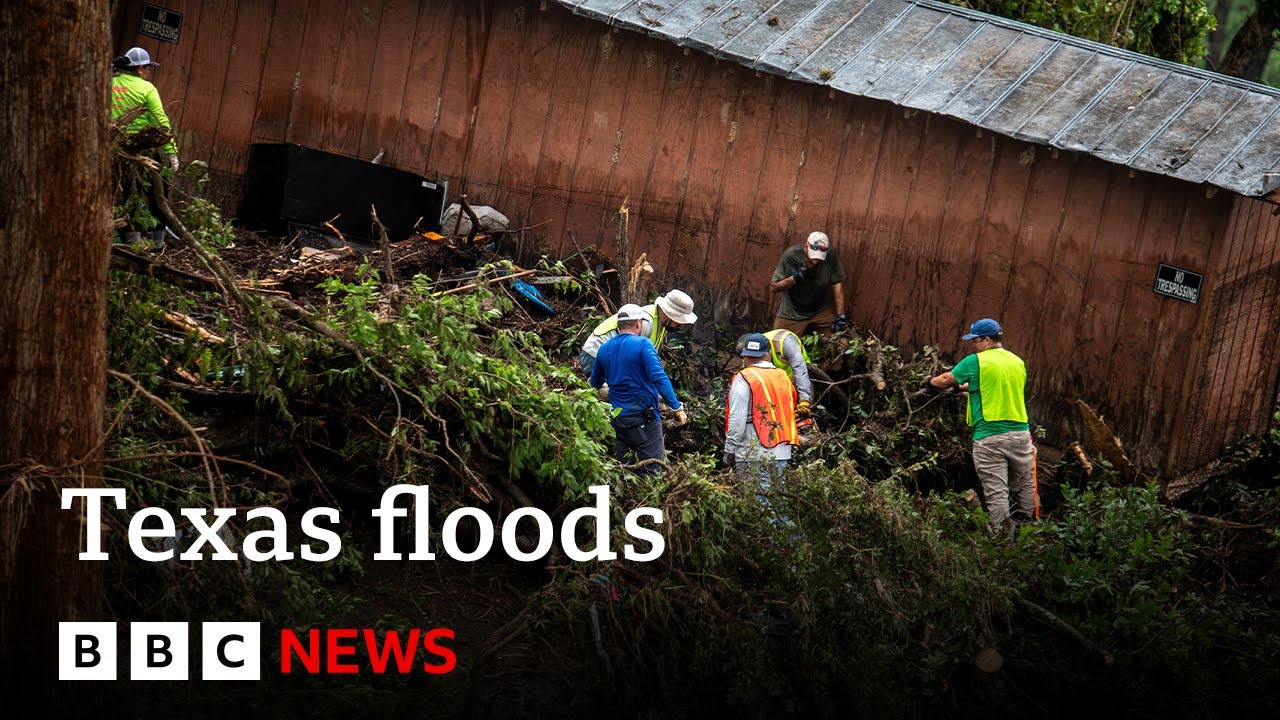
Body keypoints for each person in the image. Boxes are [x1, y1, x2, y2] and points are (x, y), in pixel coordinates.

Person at [923, 318, 1038, 529]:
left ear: (986, 340)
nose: (973, 345)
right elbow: (991, 387)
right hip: (1021, 435)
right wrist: (964, 388)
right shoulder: (1017, 362)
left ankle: (1003, 543)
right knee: (1025, 485)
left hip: (990, 436)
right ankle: (1030, 533)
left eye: (975, 341)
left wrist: (929, 382)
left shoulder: (977, 361)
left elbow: (947, 379)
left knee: (997, 491)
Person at [591, 304, 688, 473]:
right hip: (645, 418)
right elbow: (659, 377)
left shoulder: (604, 348)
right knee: (653, 469)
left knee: (626, 470)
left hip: (618, 420)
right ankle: (650, 496)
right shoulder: (643, 344)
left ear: (618, 325)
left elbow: (595, 382)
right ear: (638, 324)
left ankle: (628, 498)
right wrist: (676, 407)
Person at [111, 47, 178, 248]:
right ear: (140, 68)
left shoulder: (109, 84)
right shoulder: (147, 89)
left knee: (123, 198)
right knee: (159, 195)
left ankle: (131, 244)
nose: (149, 71)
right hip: (143, 152)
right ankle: (157, 245)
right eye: (148, 68)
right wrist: (171, 152)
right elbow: (161, 123)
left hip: (114, 151)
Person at [724, 333, 798, 517]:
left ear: (745, 356)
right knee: (778, 504)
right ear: (768, 354)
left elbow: (737, 420)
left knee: (760, 510)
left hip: (753, 453)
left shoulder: (744, 378)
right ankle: (790, 544)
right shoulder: (783, 377)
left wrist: (729, 449)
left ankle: (769, 545)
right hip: (781, 451)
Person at [579, 289, 698, 377]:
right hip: (594, 356)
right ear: (670, 314)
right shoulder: (646, 323)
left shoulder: (661, 325)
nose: (681, 325)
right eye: (679, 321)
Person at [770, 231, 847, 337]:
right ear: (806, 247)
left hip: (820, 310)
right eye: (812, 258)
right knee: (778, 343)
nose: (815, 262)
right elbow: (774, 287)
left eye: (818, 259)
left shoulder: (830, 255)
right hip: (792, 312)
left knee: (840, 341)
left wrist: (841, 315)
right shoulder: (791, 256)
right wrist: (794, 278)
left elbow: (837, 283)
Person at [737, 328, 813, 417]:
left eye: (756, 356)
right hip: (777, 377)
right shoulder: (753, 348)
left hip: (796, 373)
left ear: (767, 352)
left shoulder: (784, 342)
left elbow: (800, 369)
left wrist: (804, 399)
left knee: (801, 410)